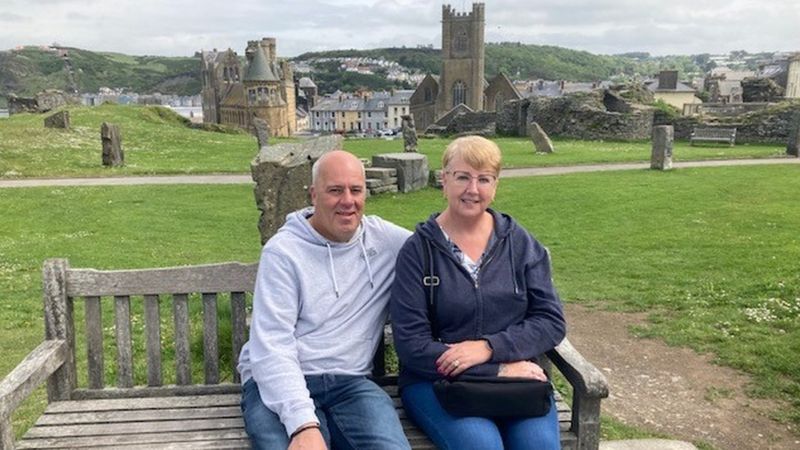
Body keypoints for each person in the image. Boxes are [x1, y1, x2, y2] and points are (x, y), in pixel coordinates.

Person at [390, 136, 566, 450]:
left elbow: (550, 321)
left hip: (517, 380)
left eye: (483, 179)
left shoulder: (520, 244)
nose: (473, 189)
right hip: (437, 380)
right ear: (443, 180)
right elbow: (412, 345)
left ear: (495, 185)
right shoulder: (418, 252)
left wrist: (489, 348)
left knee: (537, 445)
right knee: (480, 445)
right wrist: (494, 368)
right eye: (462, 177)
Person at [238, 150, 412, 450]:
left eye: (356, 190)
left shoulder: (384, 240)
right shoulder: (283, 252)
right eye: (335, 190)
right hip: (277, 381)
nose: (348, 200)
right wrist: (303, 424)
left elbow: (442, 250)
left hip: (351, 383)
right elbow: (273, 345)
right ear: (313, 195)